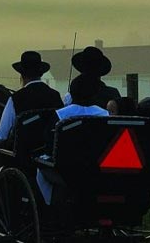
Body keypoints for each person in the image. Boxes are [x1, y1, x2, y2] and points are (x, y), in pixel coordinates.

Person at [36, 75, 108, 204]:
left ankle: (49, 204)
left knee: (40, 171)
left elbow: (49, 142)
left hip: (66, 169)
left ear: (72, 93)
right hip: (98, 167)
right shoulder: (104, 114)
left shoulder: (61, 114)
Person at [0, 51, 63, 148]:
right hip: (49, 150)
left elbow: (2, 135)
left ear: (22, 75)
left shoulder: (16, 98)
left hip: (23, 154)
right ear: (41, 74)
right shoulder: (55, 95)